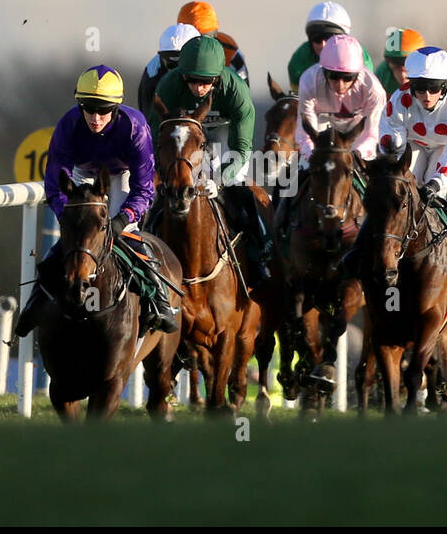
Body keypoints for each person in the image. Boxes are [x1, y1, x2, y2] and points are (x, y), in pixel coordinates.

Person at [14, 65, 179, 338]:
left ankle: (157, 299)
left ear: (116, 108)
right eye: (89, 108)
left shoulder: (135, 128)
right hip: (83, 171)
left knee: (125, 234)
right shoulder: (69, 125)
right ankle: (36, 300)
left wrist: (122, 219)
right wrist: (66, 217)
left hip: (121, 174)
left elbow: (144, 189)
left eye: (103, 110)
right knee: (77, 236)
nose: (96, 117)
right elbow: (56, 182)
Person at [340, 47, 447, 280]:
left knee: (443, 192)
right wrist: (395, 161)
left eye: (433, 87)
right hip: (413, 144)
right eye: (419, 87)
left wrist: (438, 181)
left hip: (445, 147)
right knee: (394, 194)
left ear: (444, 85)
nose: (426, 95)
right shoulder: (399, 99)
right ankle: (357, 251)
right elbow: (392, 136)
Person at [146, 35, 272, 283]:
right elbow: (155, 140)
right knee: (166, 190)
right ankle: (148, 236)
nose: (199, 87)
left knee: (238, 186)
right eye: (192, 80)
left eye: (206, 82)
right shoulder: (169, 87)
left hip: (226, 135)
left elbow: (242, 148)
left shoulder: (237, 92)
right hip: (186, 136)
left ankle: (262, 251)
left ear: (218, 76)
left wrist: (221, 178)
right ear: (182, 75)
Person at [278, 35, 385, 234]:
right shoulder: (309, 80)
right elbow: (304, 129)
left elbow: (372, 134)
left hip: (357, 133)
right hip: (322, 130)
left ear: (358, 74)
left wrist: (352, 155)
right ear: (323, 71)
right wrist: (313, 155)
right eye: (334, 76)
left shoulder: (373, 89)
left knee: (380, 182)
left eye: (347, 78)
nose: (340, 84)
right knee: (293, 173)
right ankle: (280, 224)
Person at [286, 1, 374, 91]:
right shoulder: (298, 62)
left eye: (329, 38)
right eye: (317, 38)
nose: (323, 44)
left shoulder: (360, 57)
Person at [175, 0, 250, 85]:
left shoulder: (229, 50)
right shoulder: (172, 51)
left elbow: (242, 88)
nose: (201, 45)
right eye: (194, 39)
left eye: (206, 37)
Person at [137, 23, 199, 114]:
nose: (174, 72)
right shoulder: (153, 73)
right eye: (171, 65)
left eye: (180, 65)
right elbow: (148, 114)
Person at [374, 27, 426, 95]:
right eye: (396, 66)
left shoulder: (429, 75)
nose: (402, 74)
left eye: (407, 66)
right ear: (388, 62)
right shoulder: (382, 74)